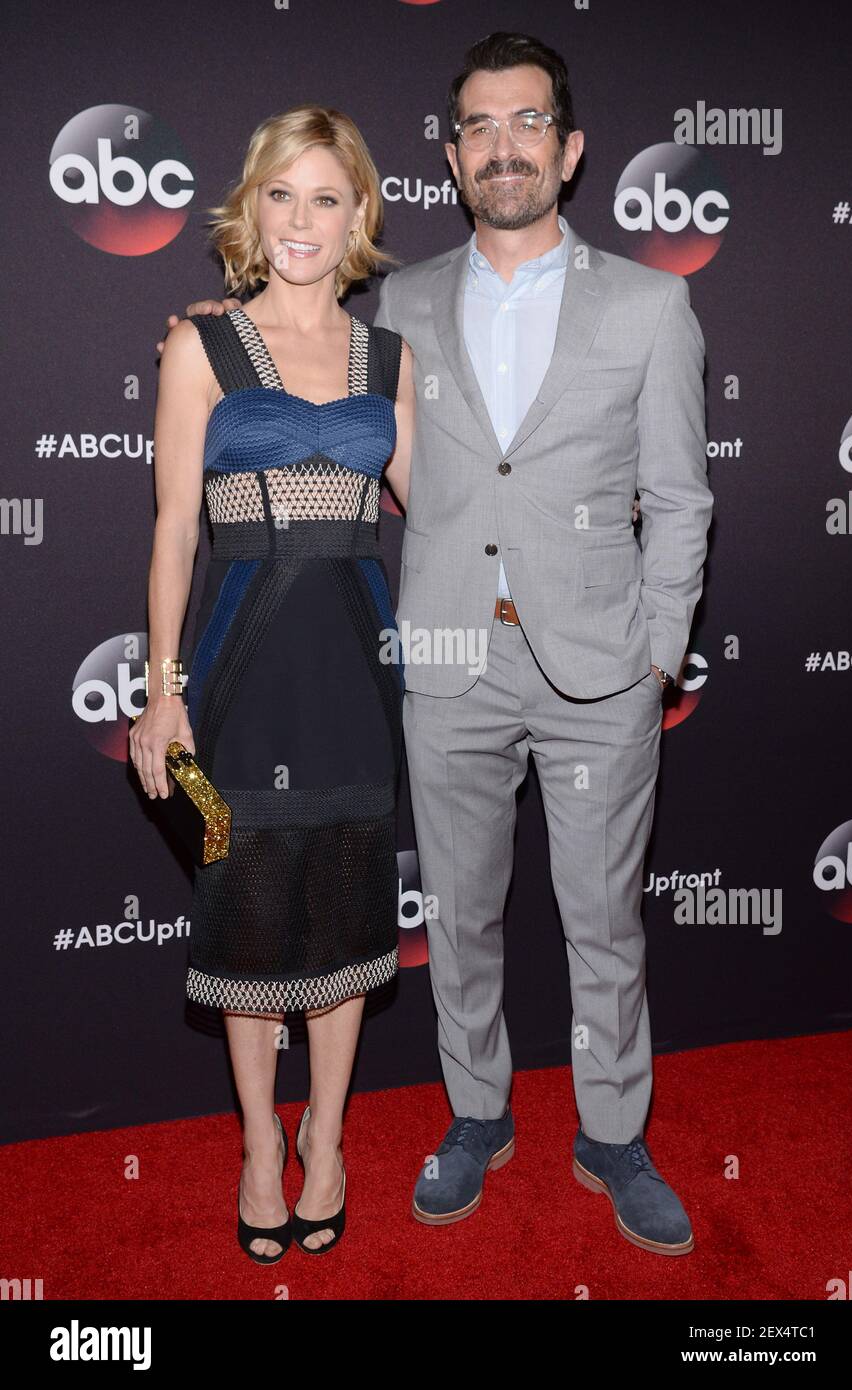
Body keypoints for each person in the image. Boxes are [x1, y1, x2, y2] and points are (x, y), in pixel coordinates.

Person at [161, 31, 713, 1257]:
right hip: (444, 655)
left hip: (598, 666)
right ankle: (475, 1115)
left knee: (601, 916)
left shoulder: (650, 300)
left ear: (566, 150)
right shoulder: (397, 304)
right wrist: (212, 333)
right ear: (452, 156)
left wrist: (657, 648)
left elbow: (681, 496)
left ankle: (613, 1133)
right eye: (476, 126)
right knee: (455, 914)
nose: (502, 144)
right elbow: (306, 389)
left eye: (526, 122)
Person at [133, 104, 413, 1262]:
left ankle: (328, 1139)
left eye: (326, 198)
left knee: (346, 918)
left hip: (357, 668)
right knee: (247, 931)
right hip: (238, 678)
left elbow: (445, 510)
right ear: (251, 207)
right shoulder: (199, 348)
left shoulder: (389, 359)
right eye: (281, 195)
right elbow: (170, 533)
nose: (301, 220)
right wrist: (161, 691)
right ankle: (258, 1142)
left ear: (358, 217)